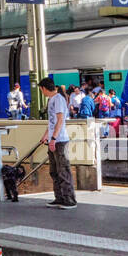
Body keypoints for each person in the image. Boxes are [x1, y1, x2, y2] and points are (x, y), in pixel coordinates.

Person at [38, 77, 76, 208]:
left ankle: (69, 200)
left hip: (60, 140)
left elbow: (60, 120)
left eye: (41, 90)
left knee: (63, 170)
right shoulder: (52, 100)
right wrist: (45, 136)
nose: (42, 92)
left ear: (44, 88)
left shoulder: (58, 99)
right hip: (53, 139)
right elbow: (52, 122)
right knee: (54, 171)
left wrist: (53, 138)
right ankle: (59, 198)